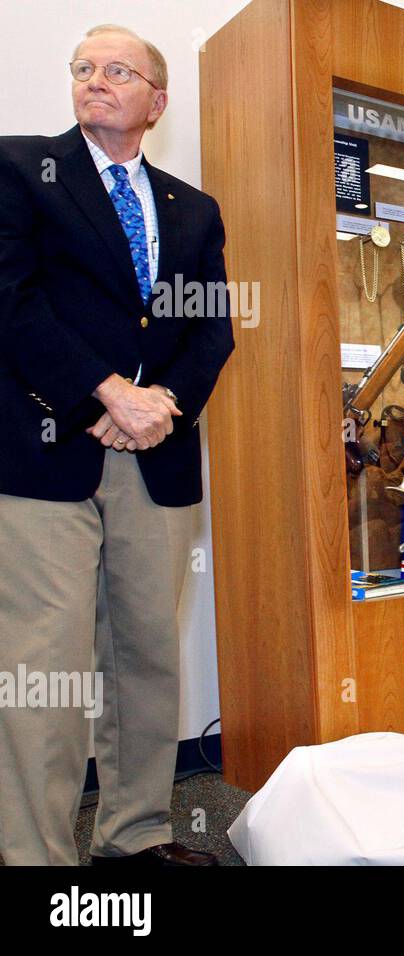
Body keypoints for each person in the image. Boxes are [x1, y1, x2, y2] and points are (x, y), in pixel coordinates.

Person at [0, 24, 235, 865]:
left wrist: (159, 403)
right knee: (45, 668)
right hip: (45, 451)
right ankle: (33, 857)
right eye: (84, 69)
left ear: (156, 101)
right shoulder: (22, 169)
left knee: (144, 655)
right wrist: (107, 392)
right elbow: (12, 302)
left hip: (157, 456)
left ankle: (135, 836)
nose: (95, 80)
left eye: (118, 70)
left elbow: (211, 328)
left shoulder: (194, 209)